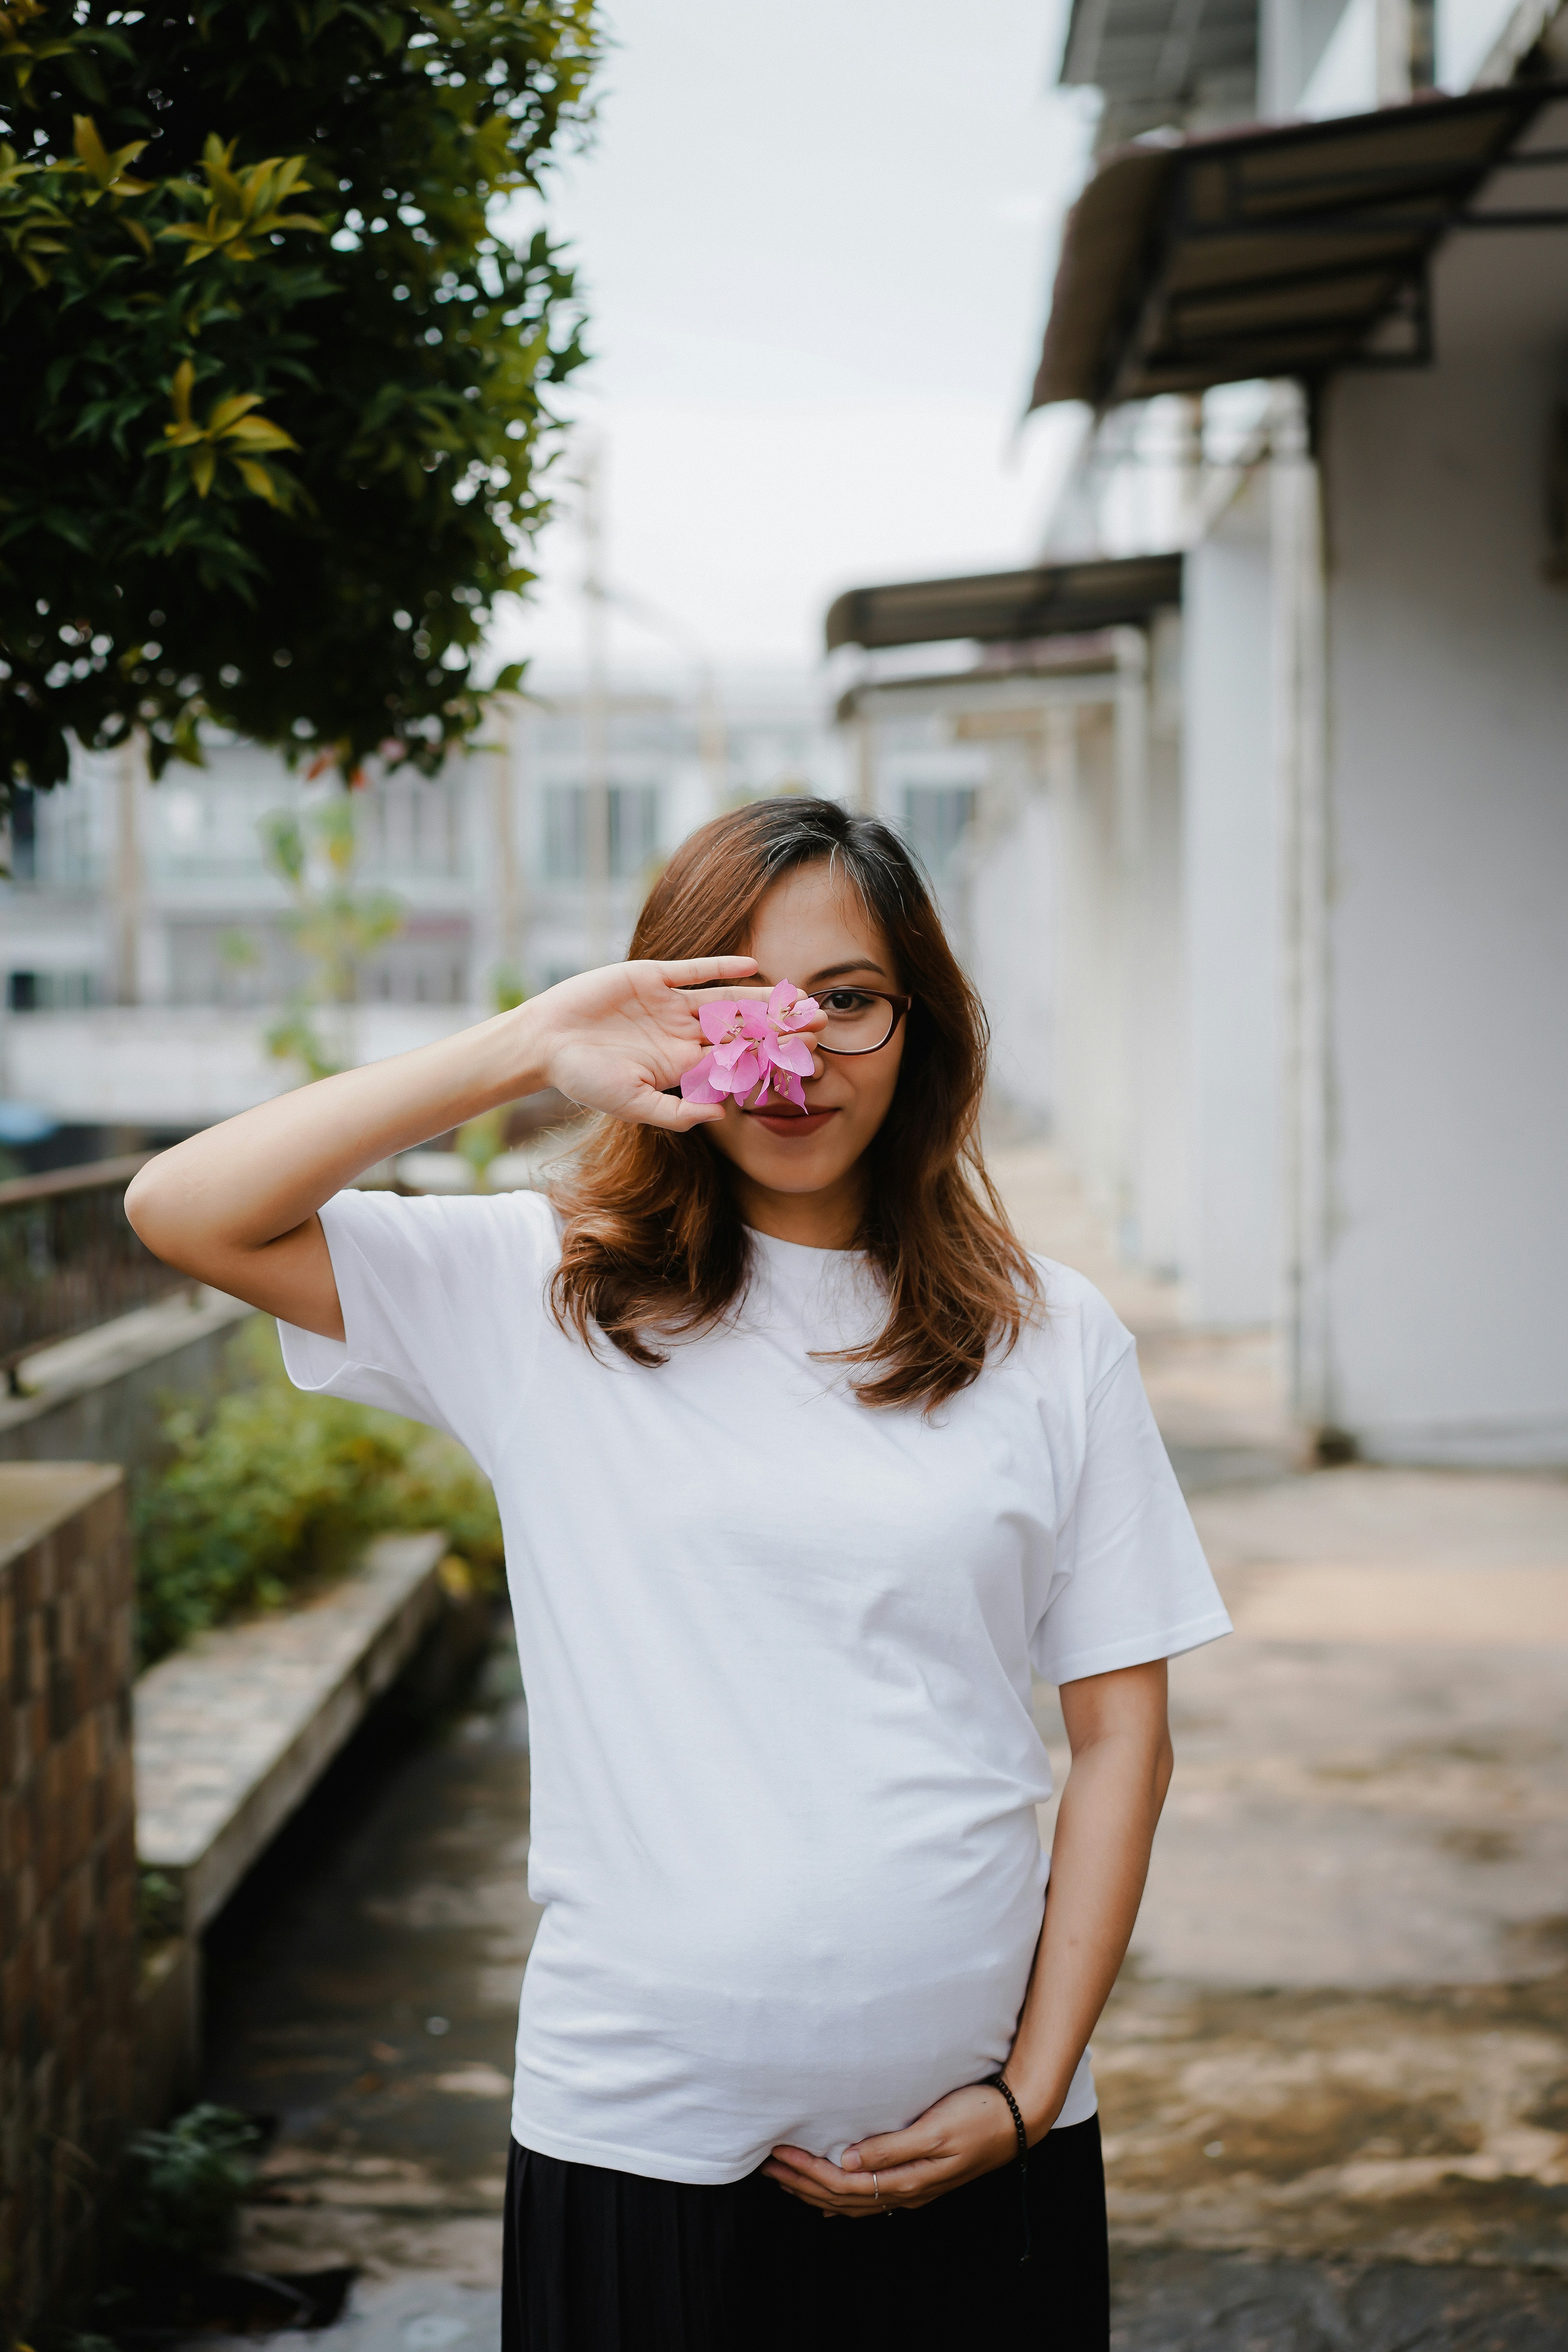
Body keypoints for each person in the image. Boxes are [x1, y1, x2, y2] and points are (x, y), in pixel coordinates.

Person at [127, 795, 1230, 2351]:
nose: (797, 1051)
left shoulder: (1046, 1336)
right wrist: (531, 1041)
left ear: (920, 1025)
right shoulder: (538, 1292)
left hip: (983, 2130)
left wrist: (1028, 2094)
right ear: (660, 1017)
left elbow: (1123, 1736)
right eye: (734, 998)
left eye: (846, 999)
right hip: (638, 2134)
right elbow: (181, 1208)